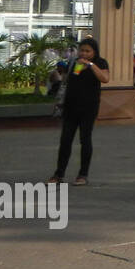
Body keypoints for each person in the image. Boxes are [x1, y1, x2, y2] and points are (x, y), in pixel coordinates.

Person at [46, 38, 109, 186]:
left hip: (89, 107)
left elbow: (105, 78)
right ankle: (59, 174)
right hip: (71, 107)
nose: (84, 54)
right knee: (65, 140)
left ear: (94, 52)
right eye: (82, 50)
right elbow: (70, 81)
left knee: (85, 139)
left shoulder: (100, 63)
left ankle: (83, 174)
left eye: (88, 51)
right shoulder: (75, 63)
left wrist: (91, 65)